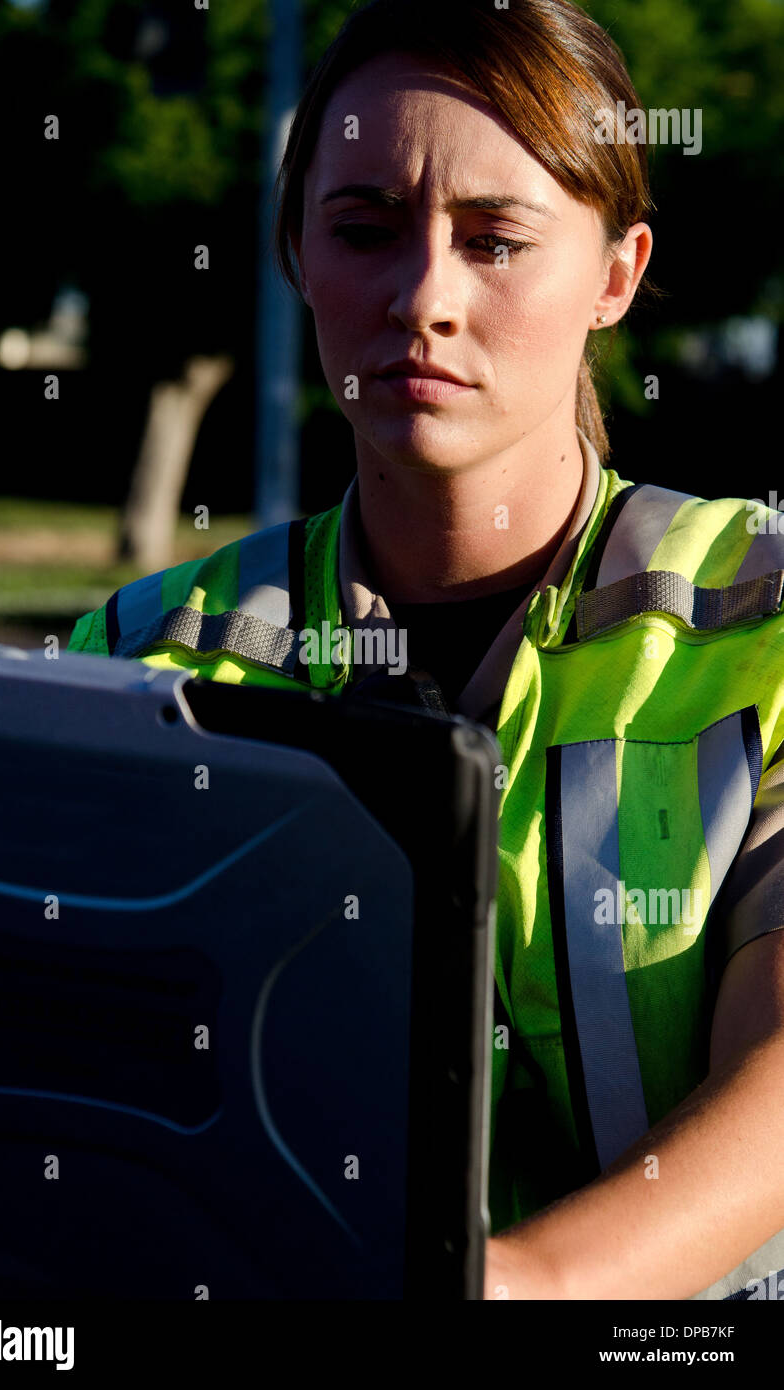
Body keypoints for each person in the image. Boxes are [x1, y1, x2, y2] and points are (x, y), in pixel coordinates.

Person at [69, 0, 784, 1300]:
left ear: (616, 274)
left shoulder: (765, 618)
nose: (423, 298)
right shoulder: (132, 660)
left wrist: (511, 1290)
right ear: (293, 250)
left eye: (496, 240)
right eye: (362, 230)